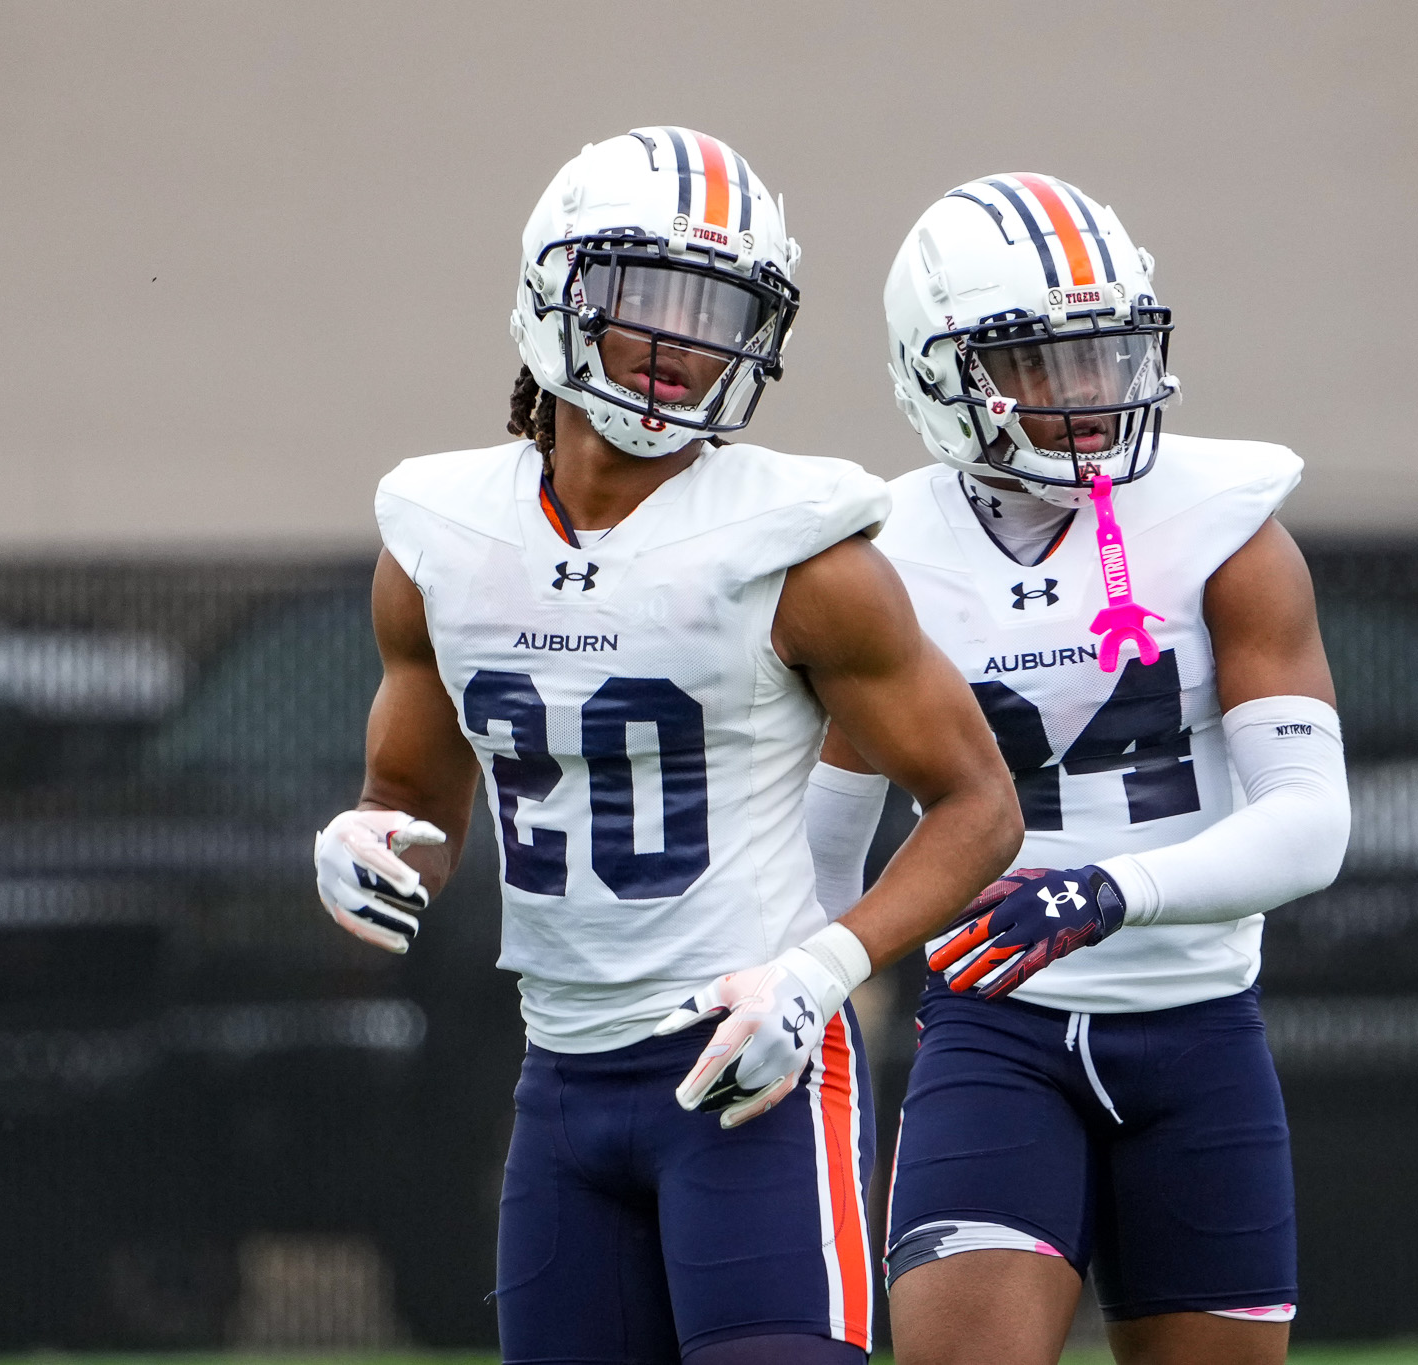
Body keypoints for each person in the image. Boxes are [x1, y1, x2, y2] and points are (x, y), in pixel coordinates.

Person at [311, 129, 1020, 1365]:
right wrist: (359, 841)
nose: (684, 340)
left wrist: (819, 972)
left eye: (719, 310)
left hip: (753, 1068)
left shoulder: (801, 549)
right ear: (557, 287)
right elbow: (412, 808)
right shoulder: (437, 531)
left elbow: (977, 807)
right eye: (650, 296)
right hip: (560, 1081)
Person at [805, 174, 1351, 1365]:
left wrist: (1109, 890)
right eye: (1040, 364)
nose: (1087, 396)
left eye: (1107, 355)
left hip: (1198, 1030)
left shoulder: (1228, 526)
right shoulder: (877, 555)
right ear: (936, 372)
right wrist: (811, 993)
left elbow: (1310, 822)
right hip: (996, 1029)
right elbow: (822, 840)